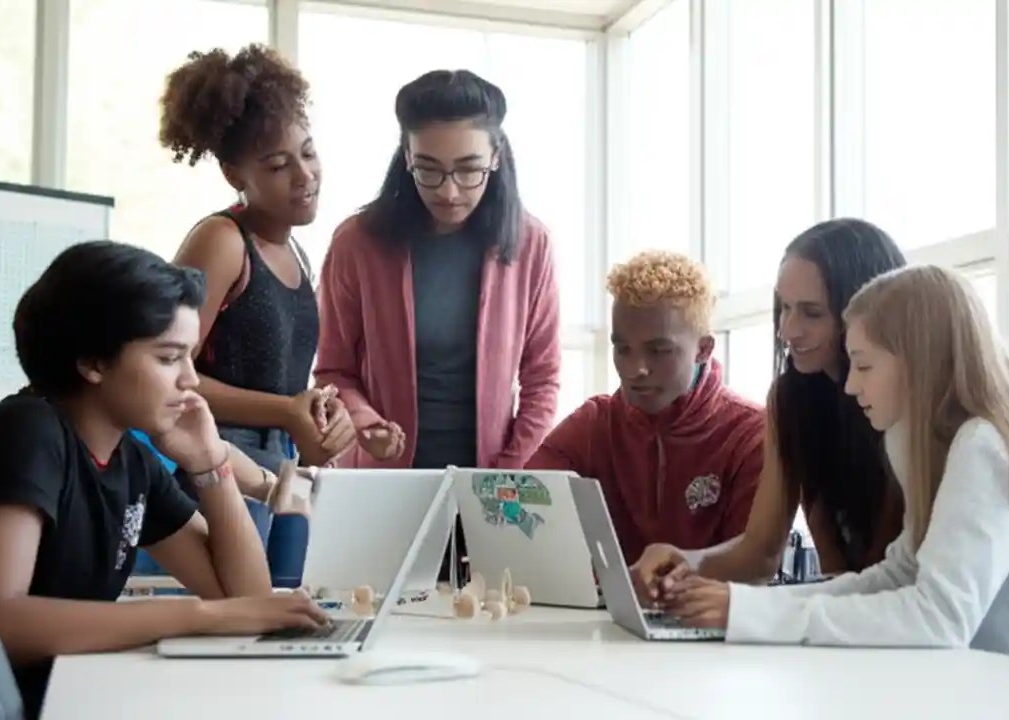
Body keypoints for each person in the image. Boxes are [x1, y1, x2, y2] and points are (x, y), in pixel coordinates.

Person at [662, 264, 1009, 677]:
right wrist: (744, 607)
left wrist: (750, 613)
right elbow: (900, 575)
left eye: (864, 365)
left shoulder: (988, 445)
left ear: (920, 362)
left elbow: (937, 618)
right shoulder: (936, 440)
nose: (851, 386)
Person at [0, 241, 328, 718]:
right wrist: (198, 617)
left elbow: (244, 600)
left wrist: (210, 465)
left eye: (191, 357)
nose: (191, 380)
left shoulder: (129, 459)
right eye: (169, 358)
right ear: (92, 362)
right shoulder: (29, 432)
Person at [631, 219, 907, 595]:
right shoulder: (792, 399)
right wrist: (682, 561)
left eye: (812, 313)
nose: (787, 330)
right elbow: (761, 552)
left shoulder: (911, 402)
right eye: (784, 308)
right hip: (850, 616)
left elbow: (906, 575)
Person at [314, 68, 560, 473]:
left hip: (493, 476)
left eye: (468, 169)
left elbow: (542, 380)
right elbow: (333, 369)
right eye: (428, 168)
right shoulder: (357, 243)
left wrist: (508, 469)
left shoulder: (531, 244)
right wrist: (365, 422)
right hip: (384, 479)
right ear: (407, 156)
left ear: (496, 156)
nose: (449, 191)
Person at [159, 43, 354, 472]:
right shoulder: (222, 241)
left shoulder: (297, 252)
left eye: (308, 153)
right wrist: (286, 410)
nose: (305, 176)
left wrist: (320, 414)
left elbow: (282, 383)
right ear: (234, 175)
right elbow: (166, 372)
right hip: (217, 455)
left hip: (287, 456)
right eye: (278, 166)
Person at [526, 251, 763, 564]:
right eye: (623, 349)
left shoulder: (751, 435)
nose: (635, 369)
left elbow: (754, 564)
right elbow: (519, 501)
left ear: (703, 349)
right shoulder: (593, 423)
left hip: (711, 612)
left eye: (659, 351)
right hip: (601, 613)